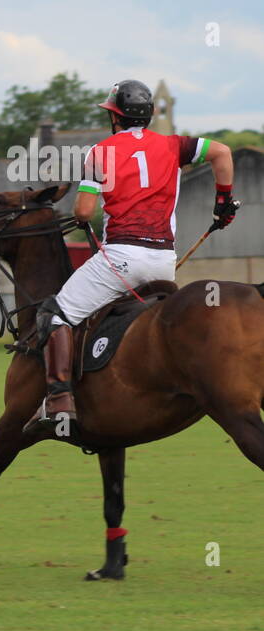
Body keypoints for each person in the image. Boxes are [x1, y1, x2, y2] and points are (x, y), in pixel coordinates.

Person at [25, 79, 237, 436]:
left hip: (121, 257)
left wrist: (81, 214)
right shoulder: (175, 146)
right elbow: (223, 153)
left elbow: (83, 209)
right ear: (149, 115)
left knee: (55, 312)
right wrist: (223, 202)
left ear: (116, 118)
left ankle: (59, 399)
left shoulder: (100, 152)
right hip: (162, 261)